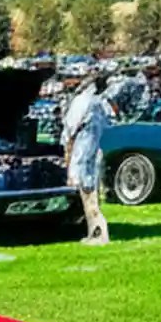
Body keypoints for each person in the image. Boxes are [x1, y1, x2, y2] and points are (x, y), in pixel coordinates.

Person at [62, 77, 114, 245]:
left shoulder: (82, 101)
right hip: (95, 151)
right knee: (91, 194)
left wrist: (68, 155)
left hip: (83, 153)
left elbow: (71, 129)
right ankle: (93, 231)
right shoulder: (99, 103)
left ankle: (99, 233)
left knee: (88, 194)